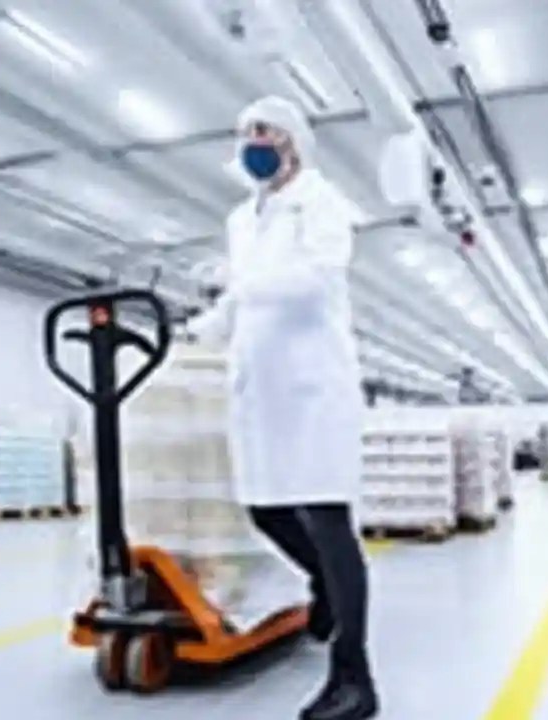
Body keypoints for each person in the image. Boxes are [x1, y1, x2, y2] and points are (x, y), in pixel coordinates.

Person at [191, 95, 379, 720]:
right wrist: (206, 326)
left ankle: (354, 678)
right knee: (265, 507)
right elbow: (242, 300)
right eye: (244, 132)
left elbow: (316, 280)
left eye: (264, 131)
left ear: (294, 141)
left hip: (312, 386)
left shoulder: (320, 202)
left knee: (327, 520)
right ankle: (324, 584)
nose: (253, 142)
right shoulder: (243, 219)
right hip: (261, 388)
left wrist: (238, 285)